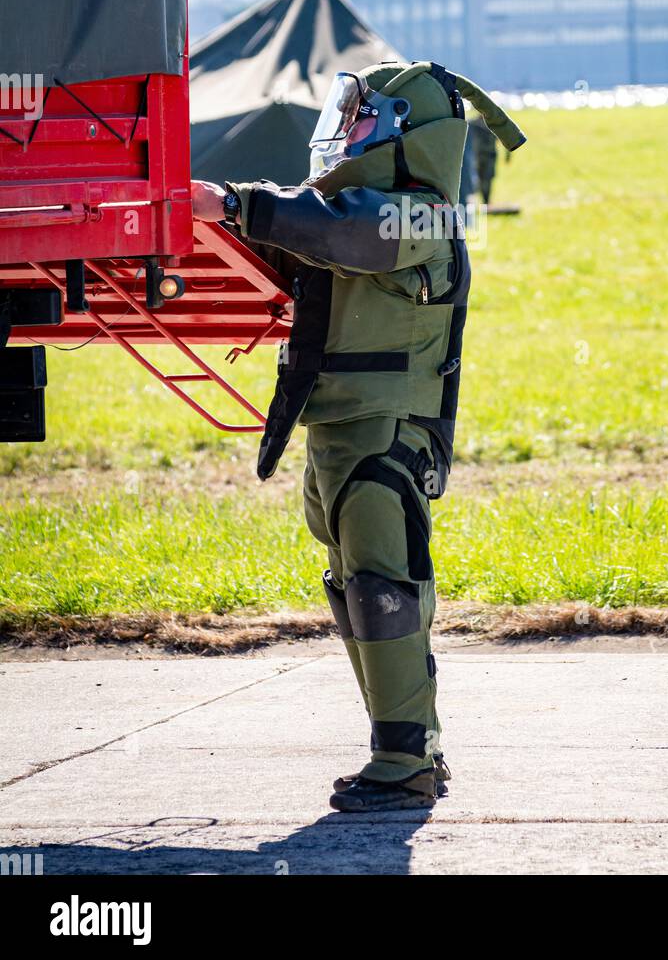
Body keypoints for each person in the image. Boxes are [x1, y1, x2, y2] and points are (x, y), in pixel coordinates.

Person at [192, 61, 525, 812]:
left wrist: (237, 201)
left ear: (414, 138)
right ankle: (402, 747)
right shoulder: (358, 211)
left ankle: (407, 758)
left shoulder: (419, 214)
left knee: (384, 587)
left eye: (365, 123)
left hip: (385, 429)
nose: (348, 136)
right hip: (342, 425)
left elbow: (344, 233)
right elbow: (307, 242)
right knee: (356, 590)